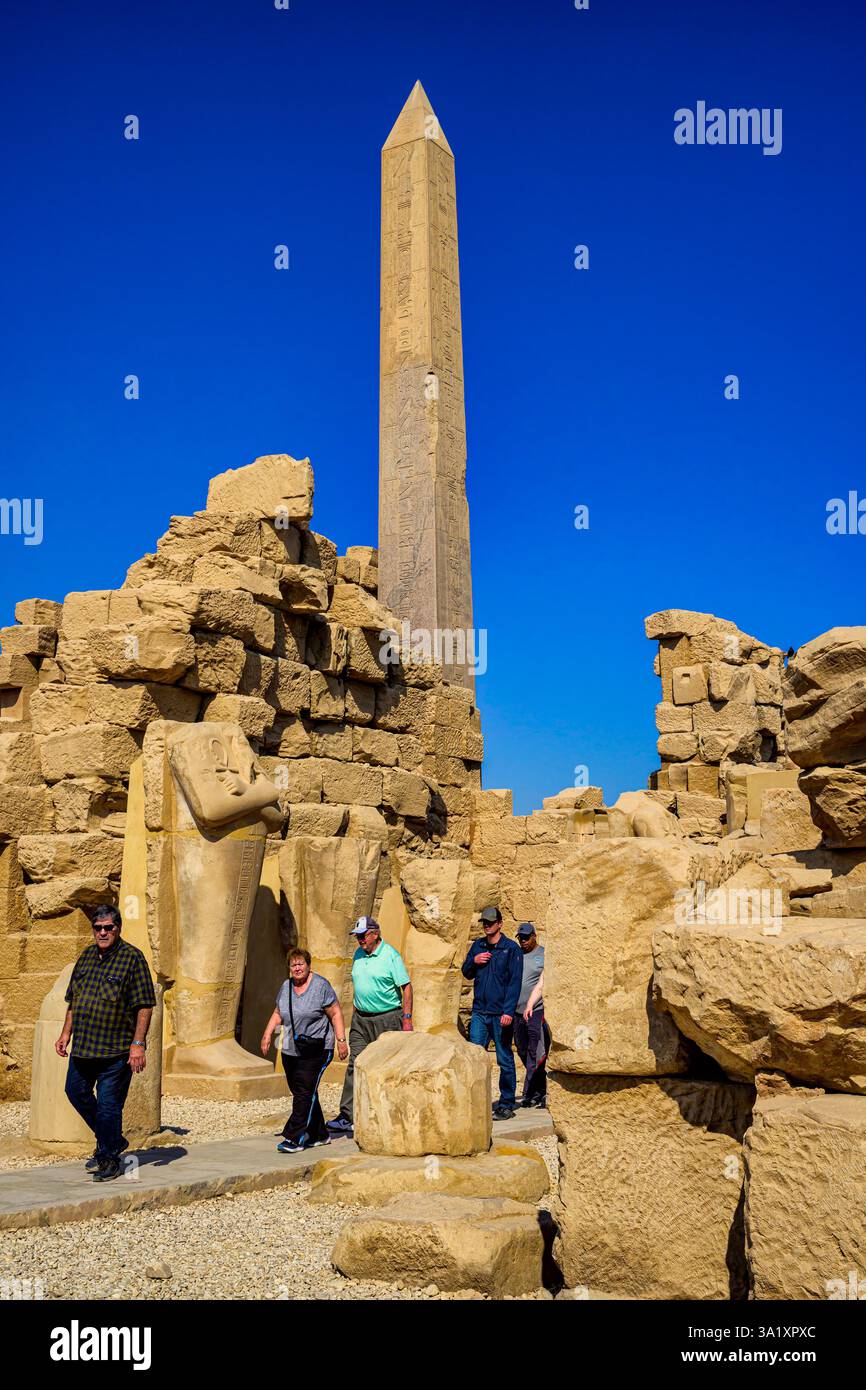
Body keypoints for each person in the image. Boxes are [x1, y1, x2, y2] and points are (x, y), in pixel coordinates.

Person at [55, 904, 156, 1182]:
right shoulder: (86, 957)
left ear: (118, 928)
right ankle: (112, 1141)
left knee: (109, 1106)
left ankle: (109, 1159)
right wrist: (66, 1034)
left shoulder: (132, 958)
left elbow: (144, 1005)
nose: (102, 932)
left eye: (108, 927)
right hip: (84, 1049)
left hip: (116, 1051)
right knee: (75, 1092)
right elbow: (73, 1001)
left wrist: (138, 1043)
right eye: (98, 928)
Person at [326, 917, 413, 1139]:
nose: (360, 940)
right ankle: (348, 1115)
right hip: (361, 1019)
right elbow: (360, 986)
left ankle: (388, 1112)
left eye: (363, 936)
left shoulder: (390, 956)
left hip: (387, 1018)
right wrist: (355, 1013)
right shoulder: (358, 955)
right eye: (357, 937)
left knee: (387, 1066)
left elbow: (406, 987)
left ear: (375, 933)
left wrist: (407, 1018)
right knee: (356, 1064)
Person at [261, 947, 348, 1153]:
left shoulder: (320, 986)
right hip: (291, 1047)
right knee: (302, 1091)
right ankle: (319, 1134)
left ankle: (295, 1137)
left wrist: (341, 1040)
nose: (297, 968)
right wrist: (267, 1035)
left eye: (301, 964)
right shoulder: (286, 986)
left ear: (308, 966)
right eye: (293, 965)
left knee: (304, 1091)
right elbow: (278, 1013)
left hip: (317, 1047)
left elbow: (335, 1013)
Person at [461, 906, 523, 1120]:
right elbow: (466, 972)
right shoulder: (478, 946)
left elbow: (515, 984)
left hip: (500, 1014)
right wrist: (473, 961)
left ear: (499, 924)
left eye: (490, 922)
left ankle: (506, 1104)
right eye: (484, 923)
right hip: (479, 1011)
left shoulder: (511, 949)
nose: (487, 926)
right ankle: (476, 1102)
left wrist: (508, 1011)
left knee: (504, 1058)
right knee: (475, 1057)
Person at [514, 922, 550, 1109]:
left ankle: (531, 1092)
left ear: (534, 936)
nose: (523, 941)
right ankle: (537, 1089)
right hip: (517, 1011)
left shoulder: (543, 954)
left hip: (537, 1010)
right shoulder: (516, 955)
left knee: (535, 1051)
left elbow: (544, 982)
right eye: (520, 938)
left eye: (526, 937)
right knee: (521, 1048)